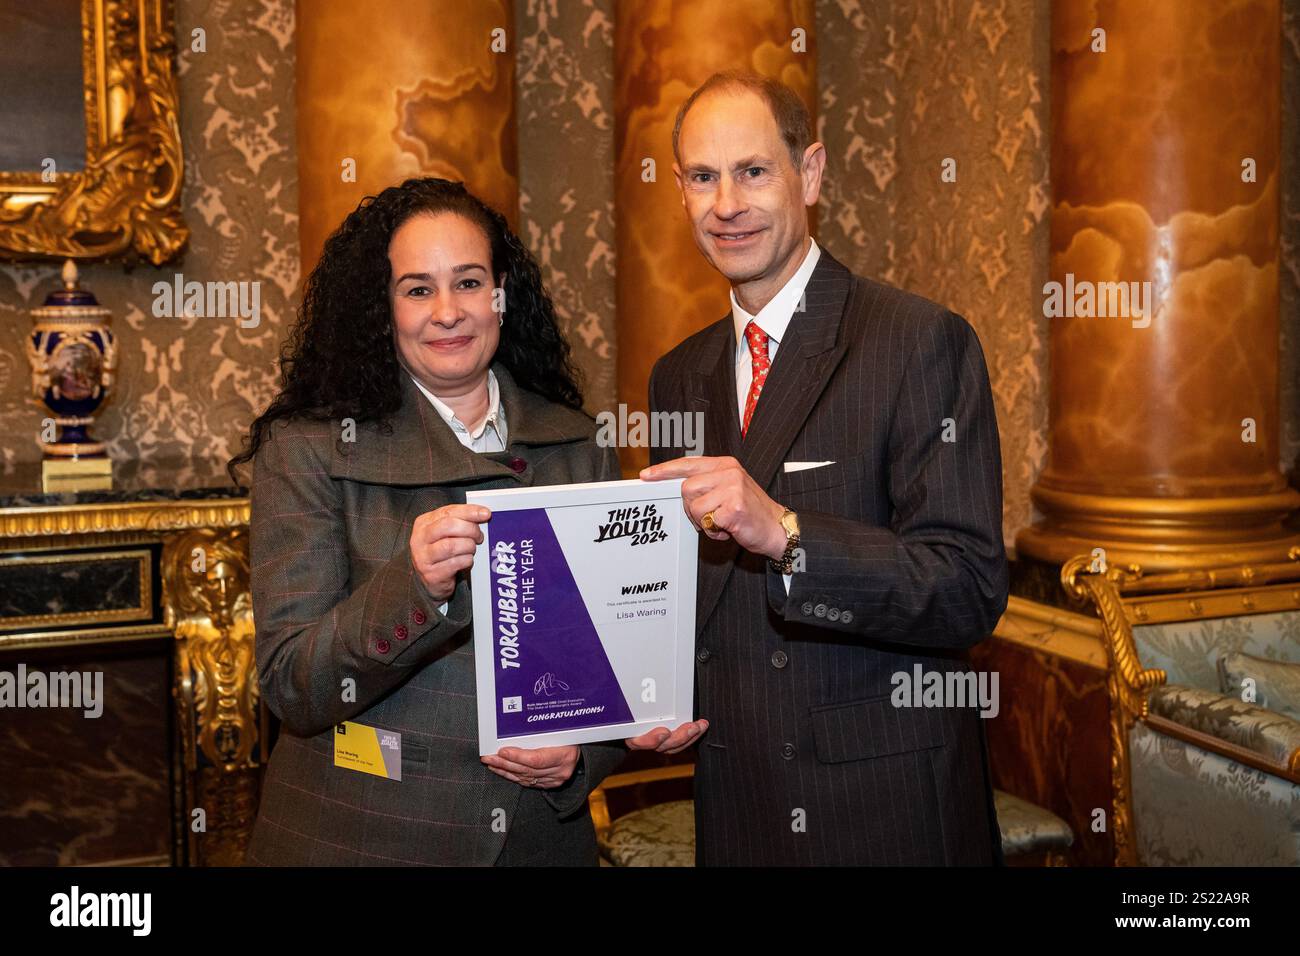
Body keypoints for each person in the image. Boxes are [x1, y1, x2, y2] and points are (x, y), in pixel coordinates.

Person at [628, 71, 1010, 865]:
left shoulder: (917, 342)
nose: (726, 202)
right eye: (703, 176)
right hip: (736, 799)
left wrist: (788, 534)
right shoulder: (677, 374)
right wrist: (645, 692)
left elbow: (967, 588)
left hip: (878, 808)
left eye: (753, 170)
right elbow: (690, 590)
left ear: (810, 172)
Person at [232, 177, 625, 866]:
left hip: (535, 842)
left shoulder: (579, 444)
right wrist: (410, 586)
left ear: (502, 294)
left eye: (469, 282)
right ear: (382, 310)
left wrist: (584, 754)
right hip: (364, 837)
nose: (448, 311)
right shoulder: (305, 449)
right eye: (418, 289)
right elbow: (293, 684)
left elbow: (621, 660)